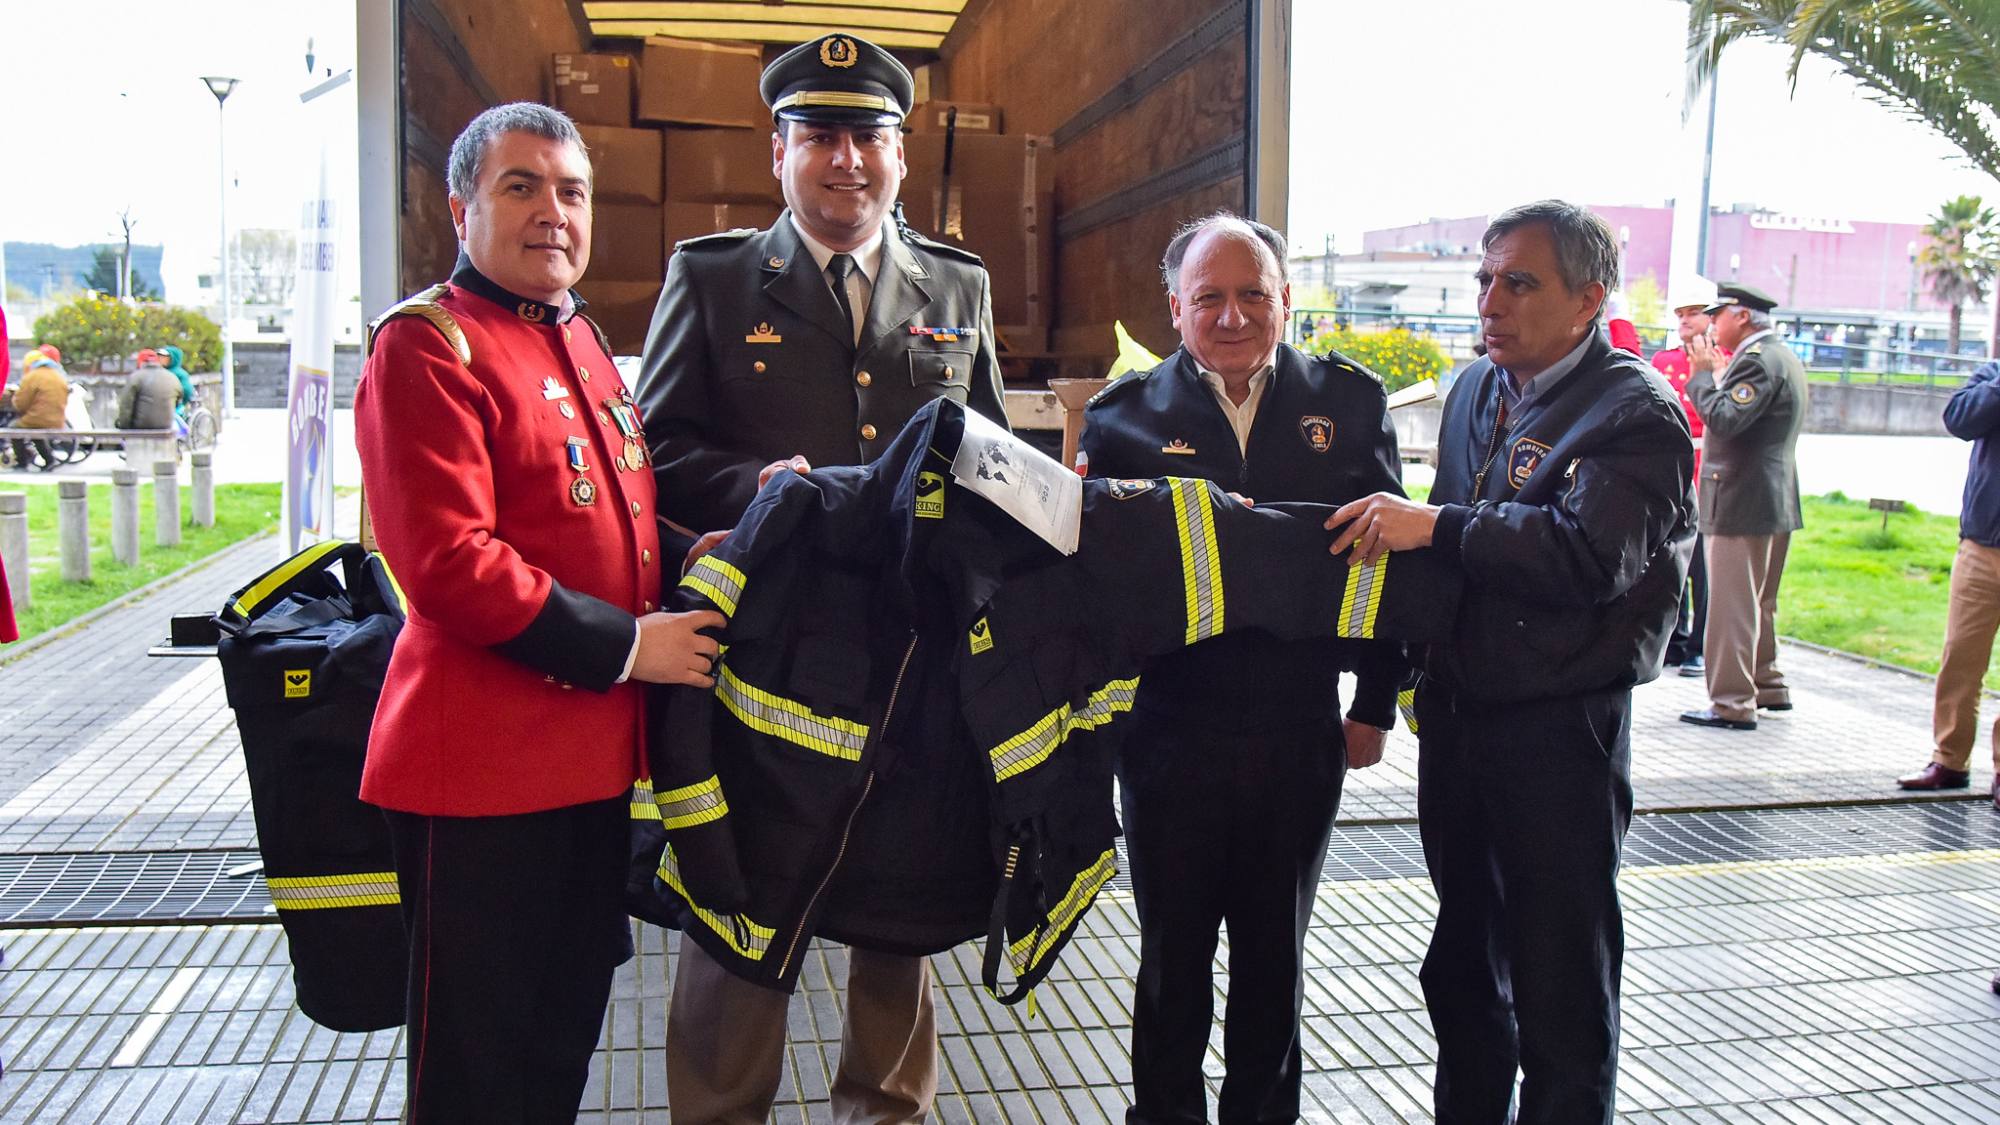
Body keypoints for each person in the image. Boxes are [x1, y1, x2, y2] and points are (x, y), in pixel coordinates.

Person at [633, 32, 1007, 1122]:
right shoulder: (711, 279)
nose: (845, 160)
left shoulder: (956, 282)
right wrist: (759, 484)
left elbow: (985, 450)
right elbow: (650, 452)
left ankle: (883, 1111)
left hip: (909, 654)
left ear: (902, 152)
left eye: (867, 137)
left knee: (902, 902)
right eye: (819, 136)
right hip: (766, 657)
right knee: (740, 907)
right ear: (778, 152)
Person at [352, 101, 725, 1122]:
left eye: (571, 191)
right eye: (520, 186)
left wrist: (717, 552)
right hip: (475, 777)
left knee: (558, 1047)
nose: (552, 212)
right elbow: (447, 564)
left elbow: (619, 522)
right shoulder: (430, 347)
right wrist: (629, 649)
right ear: (459, 205)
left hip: (585, 773)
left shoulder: (579, 339)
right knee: (476, 1070)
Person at [1326, 200, 1694, 1124]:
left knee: (1560, 987)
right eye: (1485, 279)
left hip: (1558, 733)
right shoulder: (1476, 390)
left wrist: (1438, 526)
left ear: (1588, 301)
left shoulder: (1637, 414)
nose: (1491, 300)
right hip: (1459, 720)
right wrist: (1388, 685)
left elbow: (1586, 558)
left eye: (1519, 282)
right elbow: (1439, 563)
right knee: (1460, 968)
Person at [1080, 212, 1405, 1125]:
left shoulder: (1347, 404)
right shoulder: (1124, 416)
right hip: (1167, 735)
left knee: (1275, 959)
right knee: (1171, 961)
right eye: (1210, 297)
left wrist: (1374, 702)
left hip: (1296, 729)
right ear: (1175, 306)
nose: (1233, 315)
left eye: (1253, 293)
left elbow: (1389, 556)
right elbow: (1093, 585)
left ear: (1286, 299)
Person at [1679, 283, 1807, 732]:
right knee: (1759, 600)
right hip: (1770, 496)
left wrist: (1699, 377)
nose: (1712, 324)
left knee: (1733, 604)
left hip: (1741, 497)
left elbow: (1726, 419)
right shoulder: (1780, 356)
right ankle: (1766, 682)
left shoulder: (1756, 362)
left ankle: (1732, 702)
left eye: (1718, 315)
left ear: (1743, 316)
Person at [1896, 358, 2000, 805]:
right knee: (1960, 658)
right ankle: (1950, 760)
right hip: (1981, 545)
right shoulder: (1992, 375)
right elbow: (1959, 419)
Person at [1651, 281, 1719, 676]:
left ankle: (1699, 646)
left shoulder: (1722, 359)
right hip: (1676, 467)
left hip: (1707, 467)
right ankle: (1675, 640)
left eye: (1692, 313)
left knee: (1703, 569)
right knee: (1672, 556)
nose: (1684, 322)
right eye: (1679, 315)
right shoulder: (1664, 361)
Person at [8, 348, 70, 470]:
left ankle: (22, 462)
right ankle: (49, 460)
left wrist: (15, 403)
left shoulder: (32, 376)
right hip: (58, 419)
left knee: (13, 428)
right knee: (36, 432)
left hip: (38, 419)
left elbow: (21, 404)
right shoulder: (57, 376)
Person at [117, 349, 181, 431]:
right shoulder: (173, 378)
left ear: (140, 362)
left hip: (140, 428)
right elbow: (178, 401)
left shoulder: (136, 377)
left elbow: (126, 406)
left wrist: (123, 426)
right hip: (166, 427)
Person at [157, 344, 196, 419]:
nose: (161, 359)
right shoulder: (160, 371)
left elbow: (186, 390)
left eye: (165, 357)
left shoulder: (180, 374)